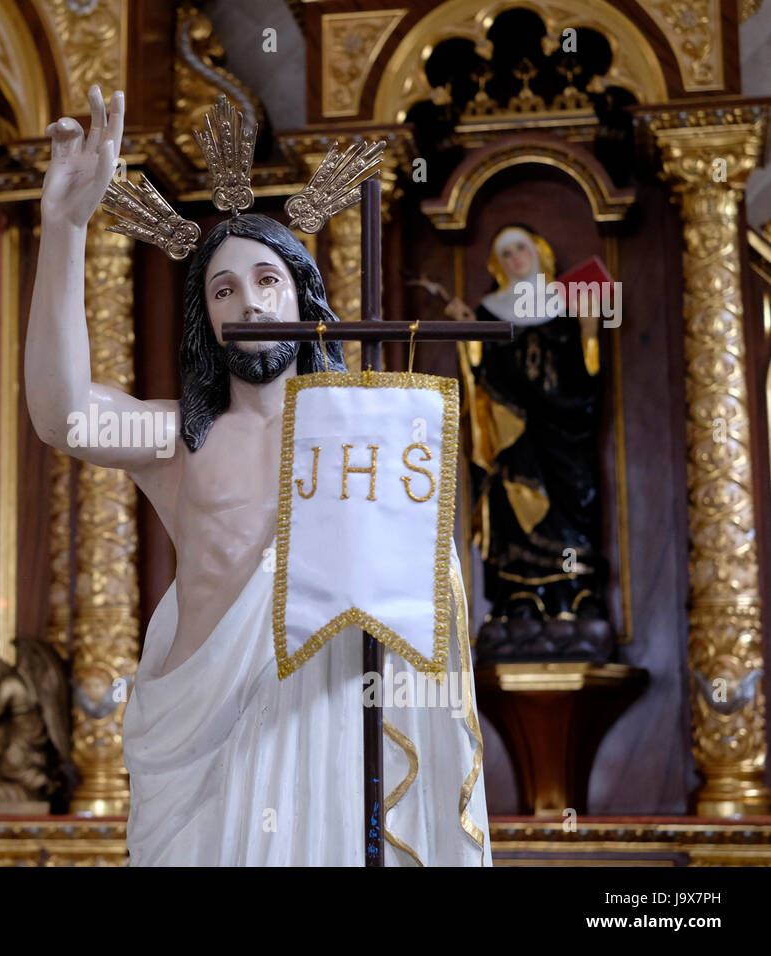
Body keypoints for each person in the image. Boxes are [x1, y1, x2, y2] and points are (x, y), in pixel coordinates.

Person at [26, 85, 489, 865]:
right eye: (224, 288)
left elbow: (431, 592)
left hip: (330, 739)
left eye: (267, 281)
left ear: (304, 295)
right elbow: (65, 415)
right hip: (204, 749)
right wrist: (66, 228)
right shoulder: (183, 436)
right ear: (206, 316)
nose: (249, 301)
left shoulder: (368, 443)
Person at [444, 225, 610, 659]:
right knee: (513, 506)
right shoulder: (488, 310)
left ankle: (574, 594)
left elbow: (586, 378)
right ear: (498, 264)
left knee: (572, 500)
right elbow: (480, 380)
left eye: (521, 248)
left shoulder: (566, 304)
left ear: (537, 252)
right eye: (506, 253)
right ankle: (519, 597)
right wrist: (467, 335)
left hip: (564, 430)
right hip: (513, 434)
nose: (516, 258)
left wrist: (590, 330)